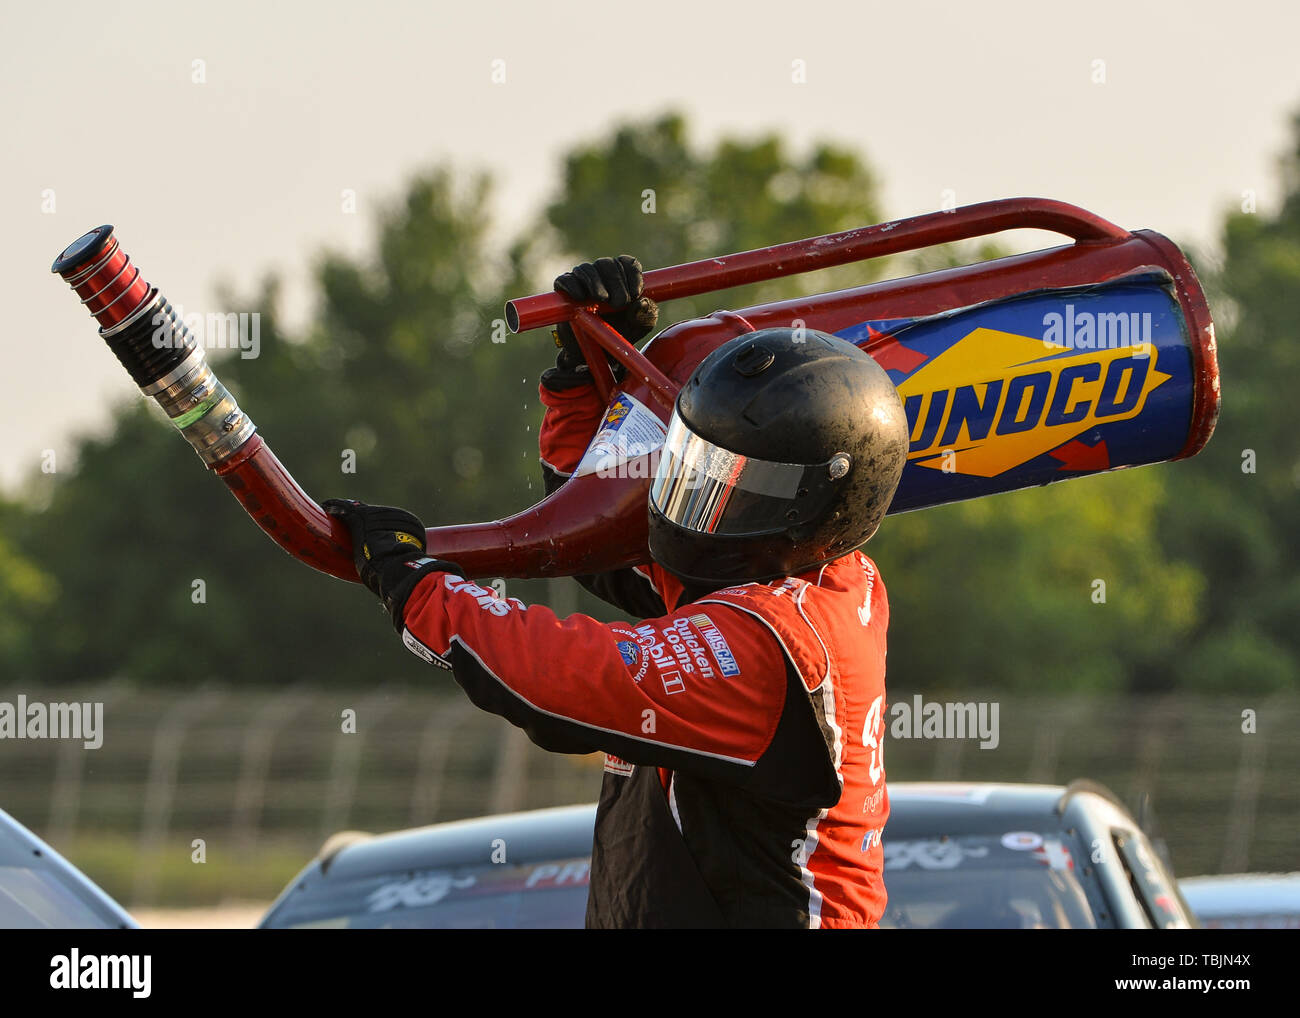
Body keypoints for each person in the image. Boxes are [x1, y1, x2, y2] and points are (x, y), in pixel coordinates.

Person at [324, 256, 910, 928]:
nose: (698, 502)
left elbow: (567, 680)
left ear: (811, 505)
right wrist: (597, 382)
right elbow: (595, 536)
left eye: (732, 486)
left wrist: (420, 587)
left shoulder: (776, 643)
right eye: (695, 467)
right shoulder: (803, 572)